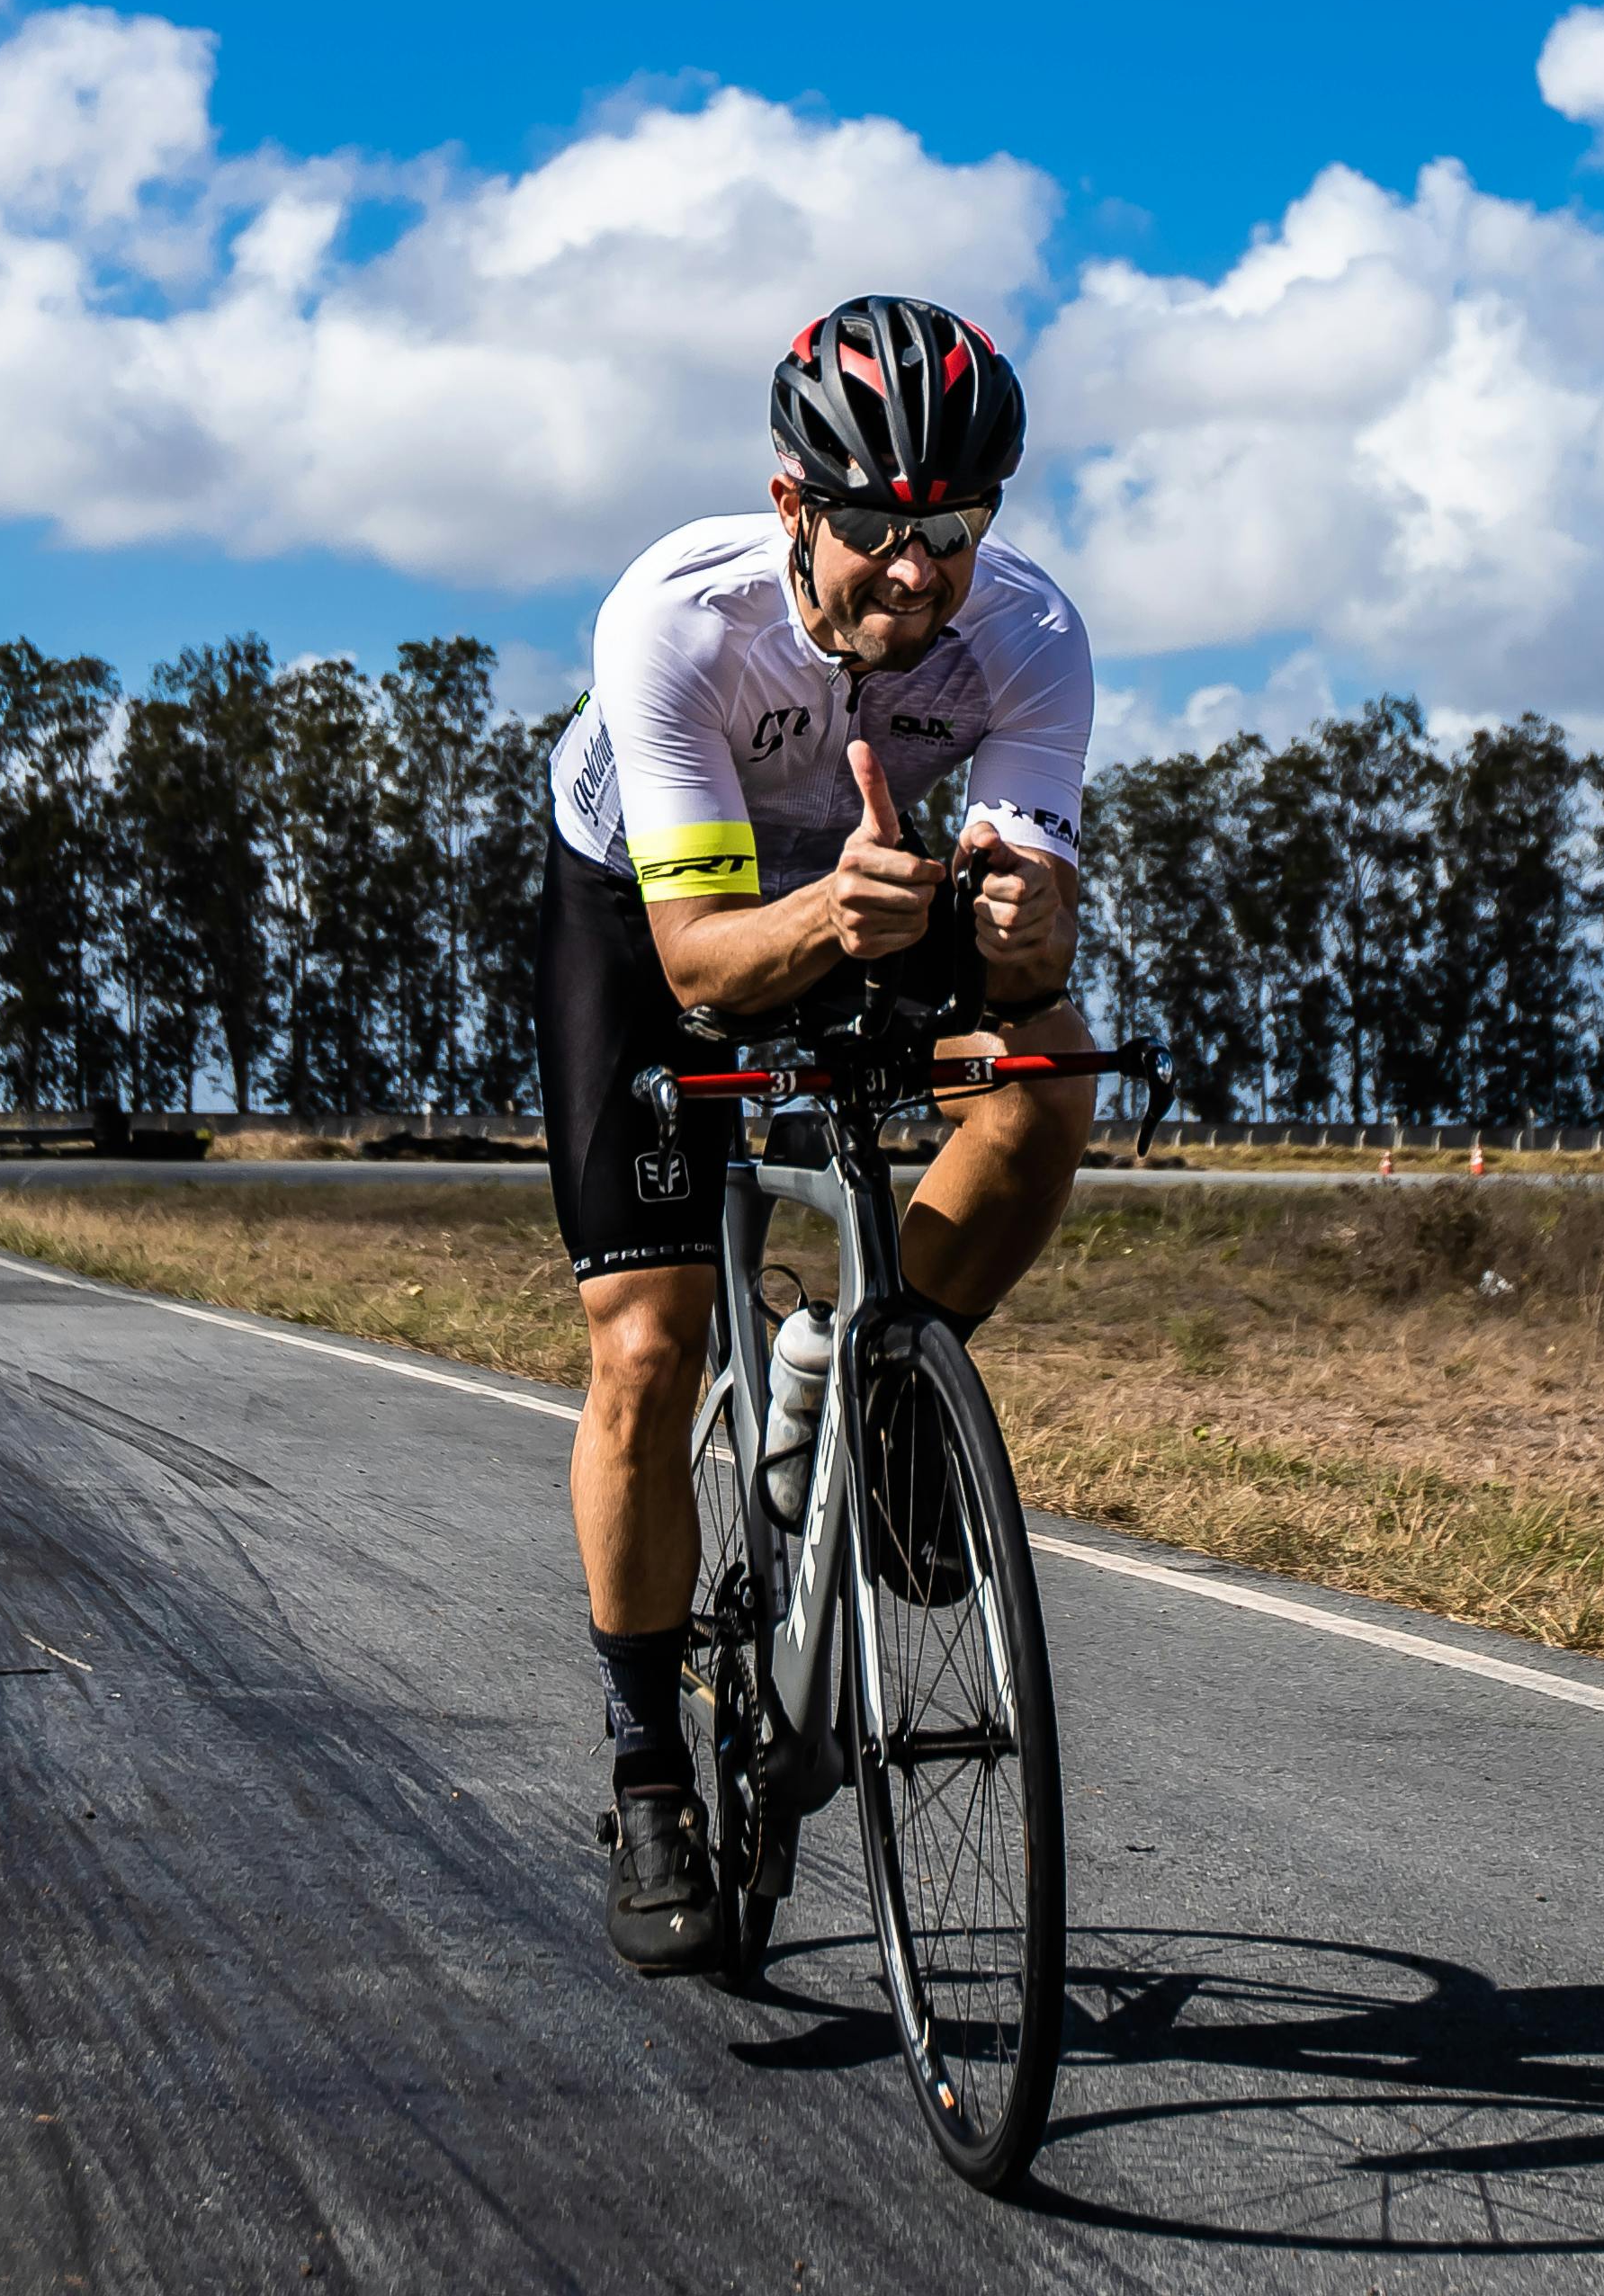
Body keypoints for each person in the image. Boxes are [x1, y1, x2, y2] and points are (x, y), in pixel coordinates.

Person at [537, 293, 1100, 1974]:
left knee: (1048, 1075)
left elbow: (1038, 925)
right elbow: (704, 966)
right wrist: (841, 915)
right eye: (872, 531)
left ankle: (884, 1389)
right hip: (648, 905)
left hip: (873, 879)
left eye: (951, 531)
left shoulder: (1035, 635)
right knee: (644, 1343)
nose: (915, 575)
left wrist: (1024, 930)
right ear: (794, 505)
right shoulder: (674, 621)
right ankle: (648, 1766)